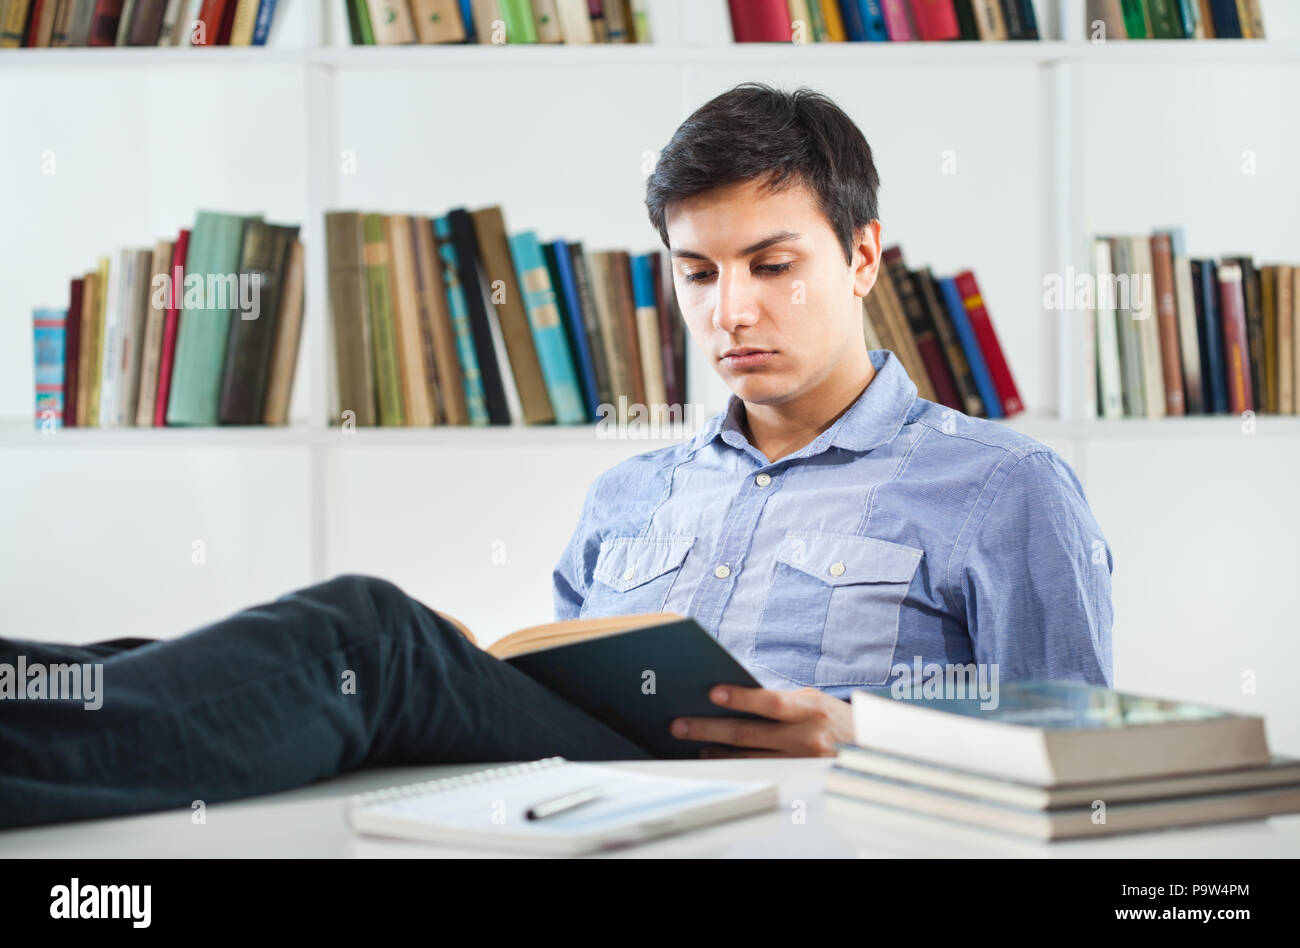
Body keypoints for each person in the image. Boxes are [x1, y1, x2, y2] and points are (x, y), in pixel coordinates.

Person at [0, 83, 1112, 831]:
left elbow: (1089, 774)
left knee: (370, 638)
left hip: (802, 823)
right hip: (597, 809)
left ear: (863, 255)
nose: (731, 310)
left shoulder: (1001, 491)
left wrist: (855, 725)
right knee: (259, 670)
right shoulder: (631, 493)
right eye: (698, 272)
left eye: (773, 263)